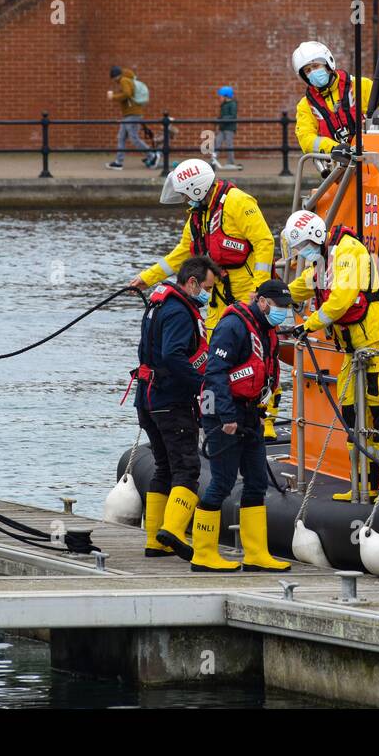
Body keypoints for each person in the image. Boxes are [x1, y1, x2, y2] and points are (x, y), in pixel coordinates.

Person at [131, 158, 282, 438]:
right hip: (220, 296)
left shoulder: (238, 202)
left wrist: (260, 290)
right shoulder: (198, 216)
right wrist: (146, 277)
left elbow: (264, 242)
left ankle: (266, 417)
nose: (185, 199)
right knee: (214, 355)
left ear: (197, 189)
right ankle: (219, 410)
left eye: (186, 193)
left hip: (248, 293)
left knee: (260, 354)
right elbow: (181, 254)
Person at [282, 210, 379, 503]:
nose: (302, 254)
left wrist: (306, 326)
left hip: (373, 341)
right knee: (352, 413)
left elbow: (340, 300)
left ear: (316, 237)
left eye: (302, 247)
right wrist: (278, 294)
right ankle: (363, 484)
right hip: (353, 349)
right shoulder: (326, 258)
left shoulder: (348, 251)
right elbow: (308, 282)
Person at [191, 279, 297, 573]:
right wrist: (226, 418)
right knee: (222, 482)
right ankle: (203, 553)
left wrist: (260, 412)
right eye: (280, 307)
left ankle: (255, 554)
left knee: (256, 482)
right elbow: (215, 374)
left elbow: (264, 372)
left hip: (252, 413)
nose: (283, 313)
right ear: (262, 302)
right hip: (226, 415)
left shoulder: (266, 330)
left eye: (287, 308)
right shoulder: (232, 327)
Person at [129, 255, 218, 560]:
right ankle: (174, 530)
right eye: (207, 287)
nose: (209, 295)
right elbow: (174, 356)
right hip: (170, 401)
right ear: (192, 282)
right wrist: (201, 386)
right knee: (187, 468)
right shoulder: (180, 311)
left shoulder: (158, 304)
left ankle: (155, 541)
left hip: (147, 400)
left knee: (164, 467)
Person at [292, 40, 379, 156]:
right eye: (307, 71)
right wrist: (335, 148)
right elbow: (306, 138)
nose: (312, 72)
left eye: (315, 66)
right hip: (338, 166)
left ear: (328, 64)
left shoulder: (362, 86)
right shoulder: (306, 105)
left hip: (373, 156)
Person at [106, 64, 157, 170]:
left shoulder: (124, 80)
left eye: (113, 78)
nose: (114, 81)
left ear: (116, 76)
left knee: (133, 138)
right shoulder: (127, 80)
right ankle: (118, 162)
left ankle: (152, 155)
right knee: (122, 137)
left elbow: (127, 94)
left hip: (132, 114)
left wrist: (113, 97)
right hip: (129, 114)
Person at [213, 85, 239, 170]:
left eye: (221, 96)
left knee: (229, 145)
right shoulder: (223, 104)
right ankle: (213, 160)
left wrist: (222, 119)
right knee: (217, 142)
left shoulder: (233, 104)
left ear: (226, 96)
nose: (219, 98)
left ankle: (230, 162)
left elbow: (233, 115)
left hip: (229, 128)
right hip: (222, 127)